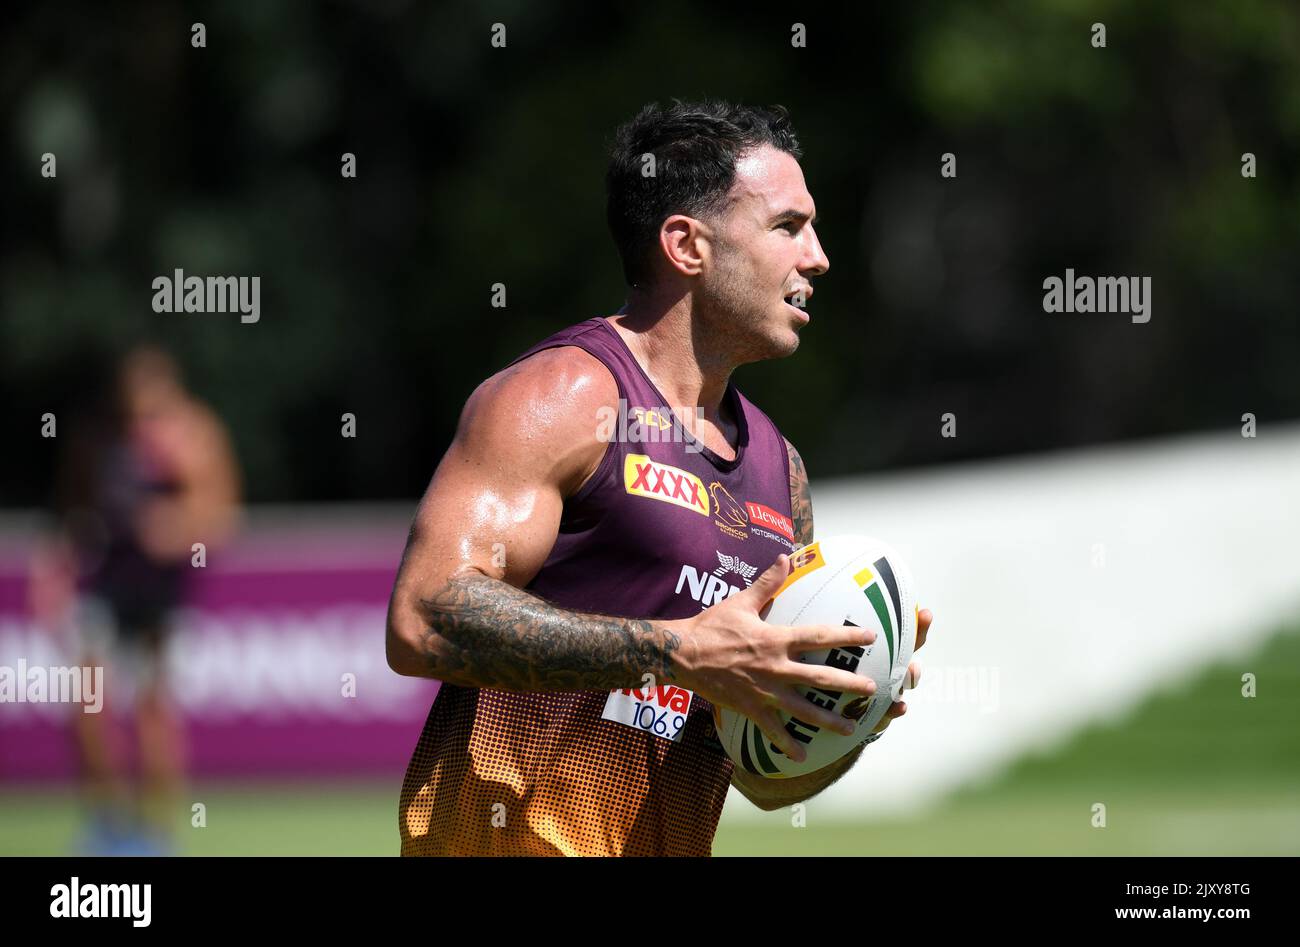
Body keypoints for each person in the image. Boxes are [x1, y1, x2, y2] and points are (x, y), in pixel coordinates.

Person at [386, 100, 933, 856]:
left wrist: (846, 714)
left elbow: (762, 778)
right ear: (686, 245)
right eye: (787, 227)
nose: (818, 257)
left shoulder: (783, 472)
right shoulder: (566, 396)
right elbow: (423, 618)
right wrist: (678, 649)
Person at [40, 344, 241, 854]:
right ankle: (105, 823)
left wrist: (176, 528)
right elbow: (72, 514)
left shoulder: (195, 435)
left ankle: (154, 834)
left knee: (154, 712)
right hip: (104, 585)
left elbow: (221, 520)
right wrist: (55, 569)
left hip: (161, 594)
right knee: (87, 702)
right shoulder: (99, 438)